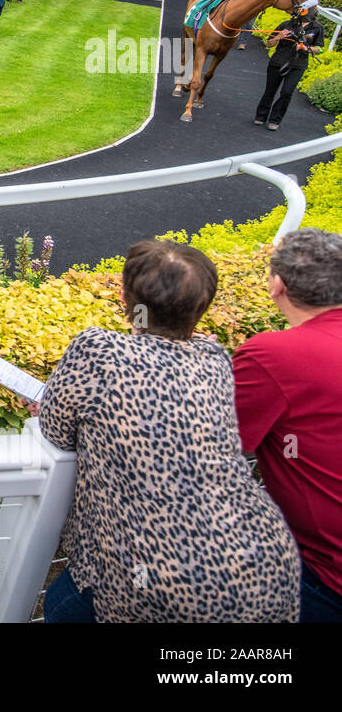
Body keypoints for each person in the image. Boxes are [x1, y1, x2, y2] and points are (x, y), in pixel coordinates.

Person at [38, 240, 301, 622]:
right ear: (203, 307)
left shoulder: (98, 350)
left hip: (150, 582)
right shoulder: (214, 358)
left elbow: (57, 431)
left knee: (62, 608)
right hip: (263, 569)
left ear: (127, 298)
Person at [233, 229, 342, 623]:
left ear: (277, 284)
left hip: (325, 578)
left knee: (67, 605)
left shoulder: (273, 354)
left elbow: (212, 442)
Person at [256, 0, 324, 130]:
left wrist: (305, 48)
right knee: (270, 91)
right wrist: (278, 37)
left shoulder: (317, 28)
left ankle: (275, 119)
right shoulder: (286, 24)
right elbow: (269, 43)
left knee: (287, 92)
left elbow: (319, 48)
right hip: (278, 62)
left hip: (298, 65)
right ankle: (261, 116)